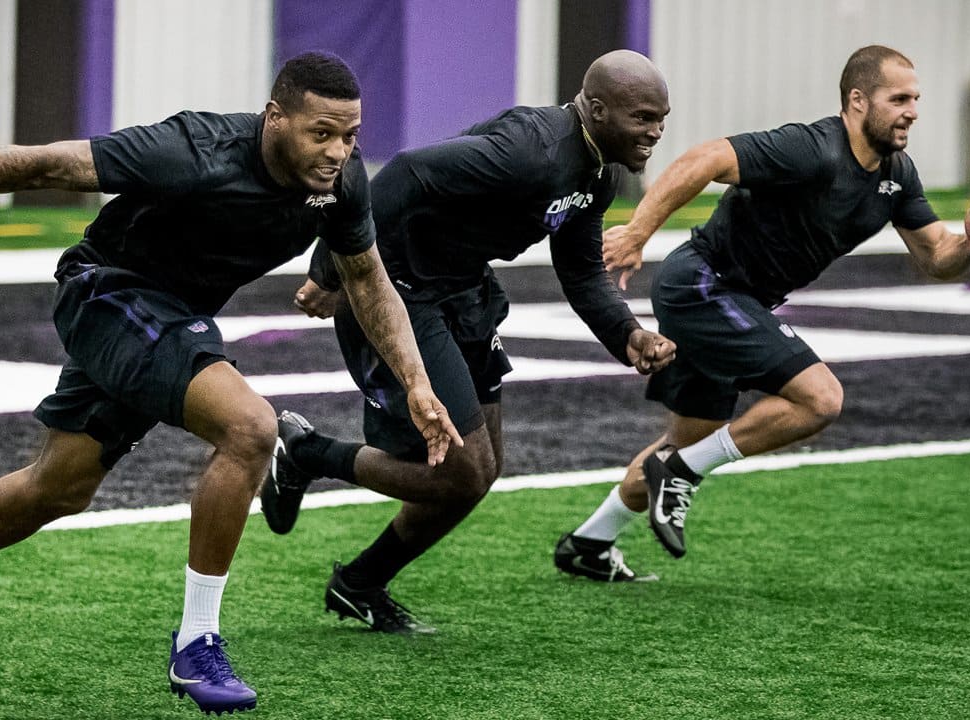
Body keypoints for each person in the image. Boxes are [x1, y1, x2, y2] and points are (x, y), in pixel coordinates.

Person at [0, 52, 461, 715]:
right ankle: (196, 643)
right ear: (275, 118)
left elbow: (367, 280)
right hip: (106, 291)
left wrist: (416, 383)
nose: (337, 152)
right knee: (250, 427)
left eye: (350, 136)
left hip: (167, 320)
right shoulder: (192, 150)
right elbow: (46, 164)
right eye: (320, 133)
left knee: (57, 488)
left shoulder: (340, 184)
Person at [258, 49, 678, 633]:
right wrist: (331, 269)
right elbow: (407, 172)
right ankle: (306, 453)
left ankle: (359, 584)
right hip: (400, 290)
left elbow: (581, 269)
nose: (655, 132)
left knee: (480, 470)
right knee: (463, 471)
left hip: (464, 287)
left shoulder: (600, 171)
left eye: (661, 119)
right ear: (598, 109)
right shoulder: (531, 151)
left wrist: (627, 334)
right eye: (643, 118)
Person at [556, 45, 970, 572]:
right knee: (820, 399)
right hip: (702, 285)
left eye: (916, 99)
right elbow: (706, 158)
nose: (913, 111)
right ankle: (680, 472)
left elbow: (936, 256)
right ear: (858, 100)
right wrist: (638, 232)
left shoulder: (897, 176)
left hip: (732, 299)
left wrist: (969, 245)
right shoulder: (813, 149)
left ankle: (589, 543)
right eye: (899, 99)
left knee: (686, 442)